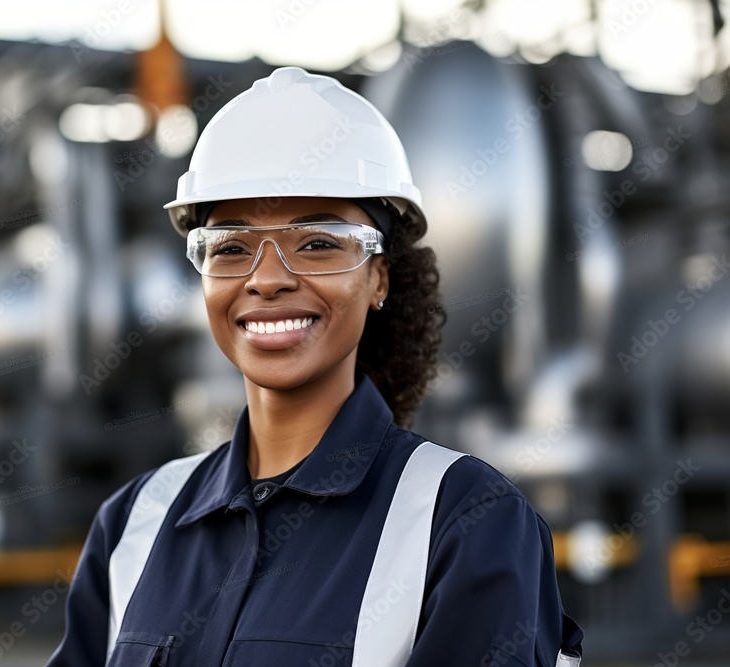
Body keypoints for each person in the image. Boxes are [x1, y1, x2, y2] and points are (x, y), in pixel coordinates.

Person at [47, 66, 583, 666]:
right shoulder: (133, 525)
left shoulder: (466, 523)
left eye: (319, 242)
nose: (268, 278)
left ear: (379, 276)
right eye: (230, 247)